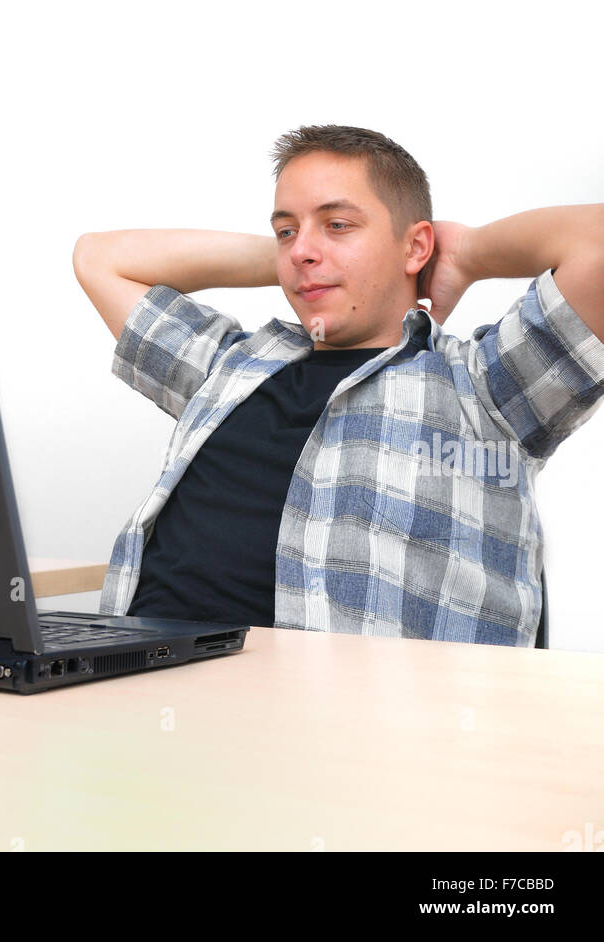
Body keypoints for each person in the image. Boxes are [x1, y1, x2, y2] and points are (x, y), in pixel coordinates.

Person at [72, 125, 604, 646]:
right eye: (286, 230)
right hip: (140, 689)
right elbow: (100, 259)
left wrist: (466, 252)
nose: (302, 249)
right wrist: (300, 257)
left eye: (339, 224)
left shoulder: (486, 386)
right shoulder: (230, 368)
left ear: (417, 246)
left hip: (350, 723)